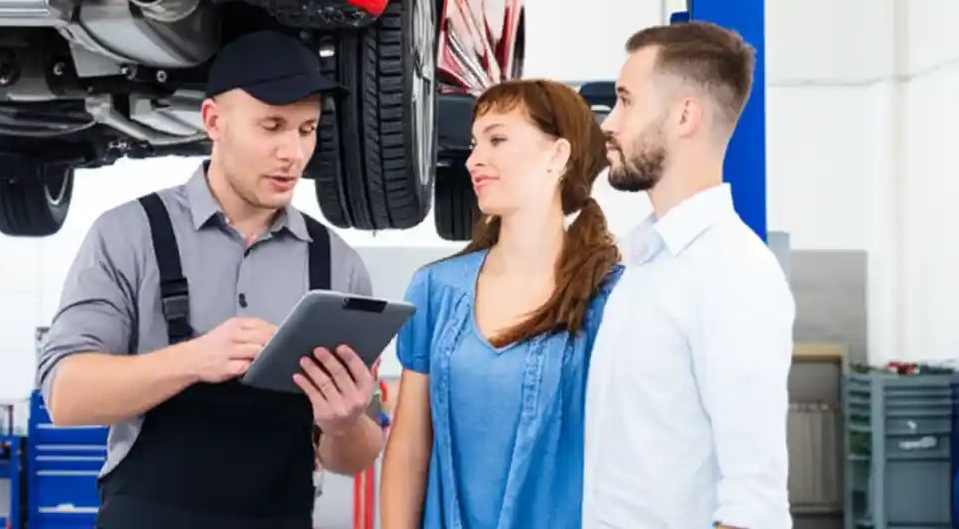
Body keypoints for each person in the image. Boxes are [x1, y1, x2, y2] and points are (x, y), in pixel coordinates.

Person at [35, 30, 386, 529]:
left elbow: (355, 455)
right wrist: (194, 359)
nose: (292, 152)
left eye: (306, 129)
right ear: (213, 121)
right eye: (272, 126)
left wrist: (344, 423)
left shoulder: (336, 264)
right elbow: (66, 397)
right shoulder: (130, 234)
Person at [380, 78, 625, 528]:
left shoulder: (610, 296)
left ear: (558, 155)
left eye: (497, 140)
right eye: (475, 143)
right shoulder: (435, 290)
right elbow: (410, 447)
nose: (473, 160)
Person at [583, 21, 795, 528]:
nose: (609, 124)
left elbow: (753, 504)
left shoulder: (733, 273)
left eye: (626, 101)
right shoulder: (645, 262)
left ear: (684, 115)